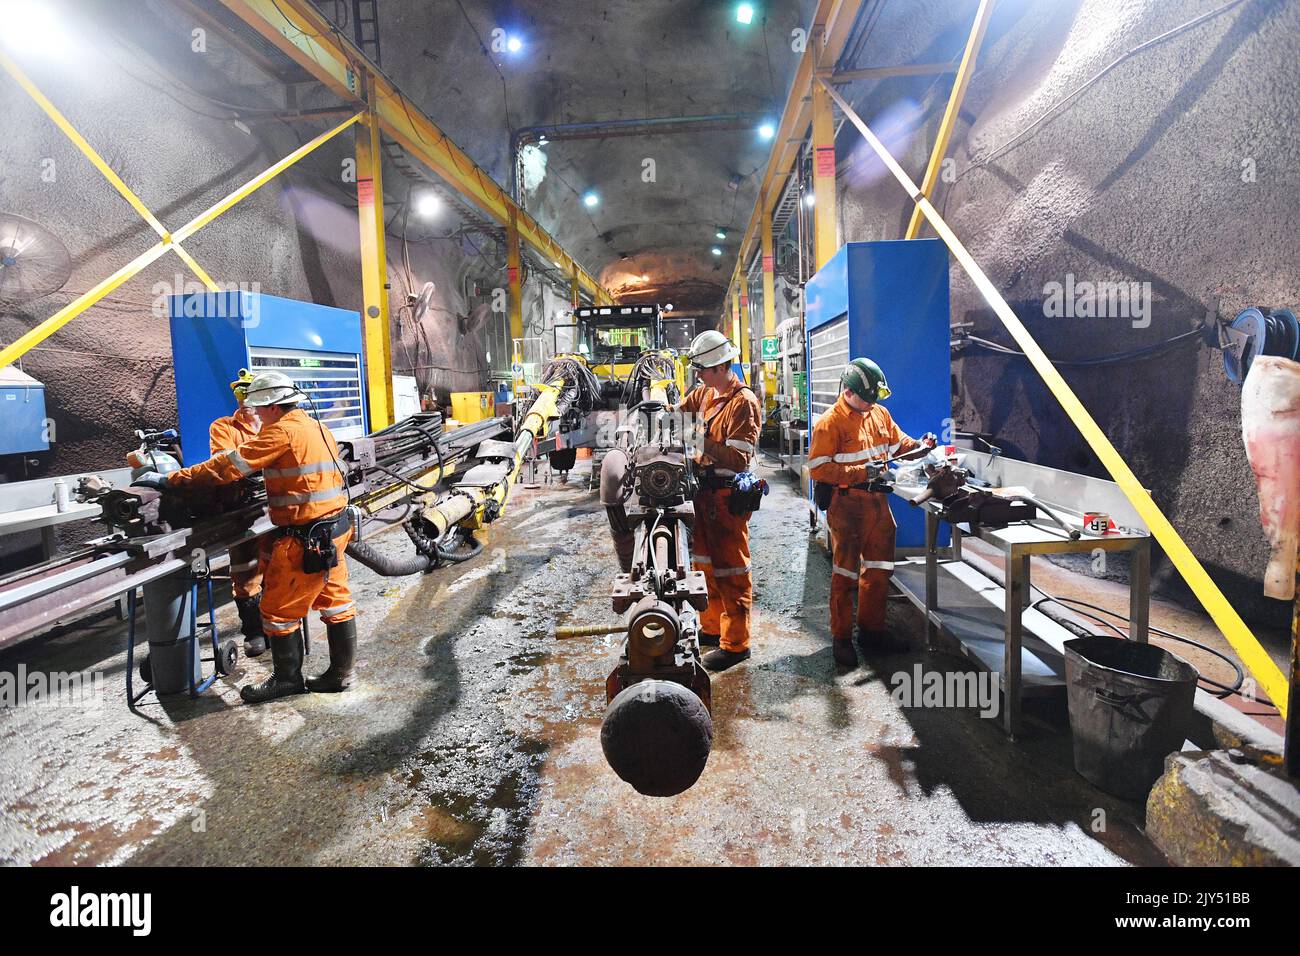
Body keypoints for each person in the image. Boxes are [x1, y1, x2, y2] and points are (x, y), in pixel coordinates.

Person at [135, 371, 357, 703]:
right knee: (335, 600)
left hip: (305, 538)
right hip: (334, 529)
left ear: (271, 407)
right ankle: (341, 674)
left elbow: (225, 467)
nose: (254, 412)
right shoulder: (315, 426)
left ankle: (287, 680)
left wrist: (170, 480)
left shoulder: (280, 433)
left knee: (278, 612)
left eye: (257, 406)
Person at [808, 358, 935, 667]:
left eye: (873, 399)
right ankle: (841, 638)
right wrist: (860, 472)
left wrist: (919, 445)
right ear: (848, 391)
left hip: (878, 505)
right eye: (866, 398)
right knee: (845, 574)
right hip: (847, 506)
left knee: (879, 570)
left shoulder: (879, 413)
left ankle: (871, 632)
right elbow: (817, 469)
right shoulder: (830, 422)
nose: (870, 404)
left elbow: (897, 444)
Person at [679, 330, 762, 672]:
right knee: (705, 566)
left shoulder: (743, 403)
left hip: (727, 499)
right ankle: (712, 629)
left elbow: (739, 460)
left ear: (720, 367)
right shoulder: (705, 394)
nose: (698, 374)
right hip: (704, 496)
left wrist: (700, 440)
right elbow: (677, 412)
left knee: (731, 571)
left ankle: (736, 644)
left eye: (702, 368)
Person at [210, 369, 267, 657]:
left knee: (279, 564)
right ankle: (254, 630)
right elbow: (227, 464)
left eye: (249, 393)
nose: (243, 399)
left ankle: (278, 624)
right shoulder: (224, 427)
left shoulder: (276, 425)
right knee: (244, 570)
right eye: (239, 393)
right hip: (241, 510)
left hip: (276, 506)